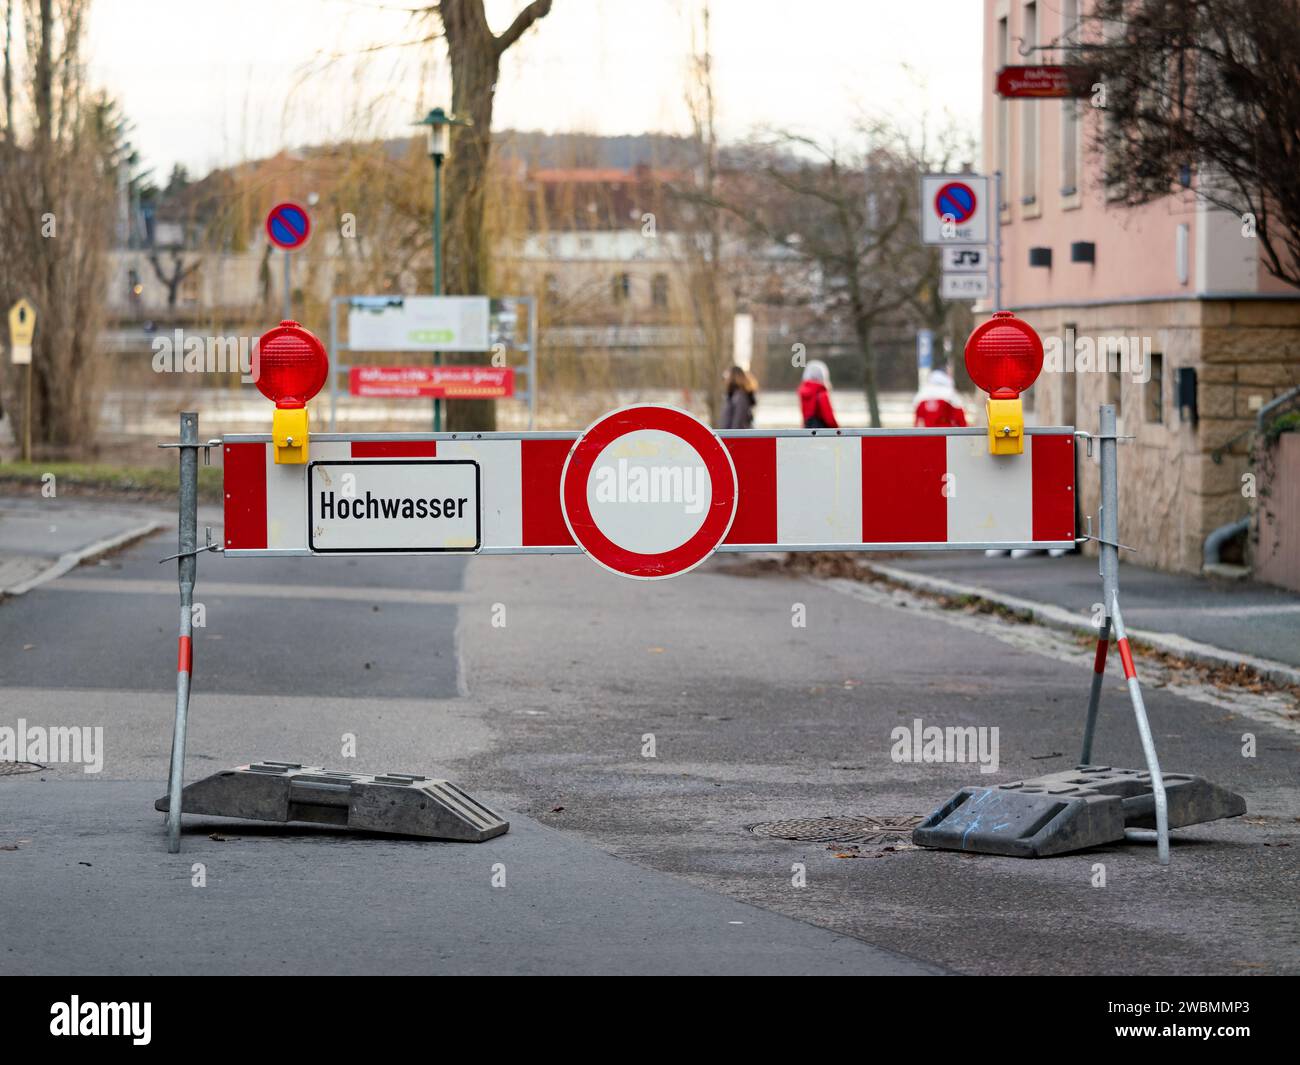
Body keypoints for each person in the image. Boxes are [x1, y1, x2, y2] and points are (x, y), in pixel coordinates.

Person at [799, 360, 838, 429]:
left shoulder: (803, 392)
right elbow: (829, 417)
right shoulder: (821, 392)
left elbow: (805, 415)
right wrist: (837, 429)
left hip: (808, 428)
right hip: (821, 430)